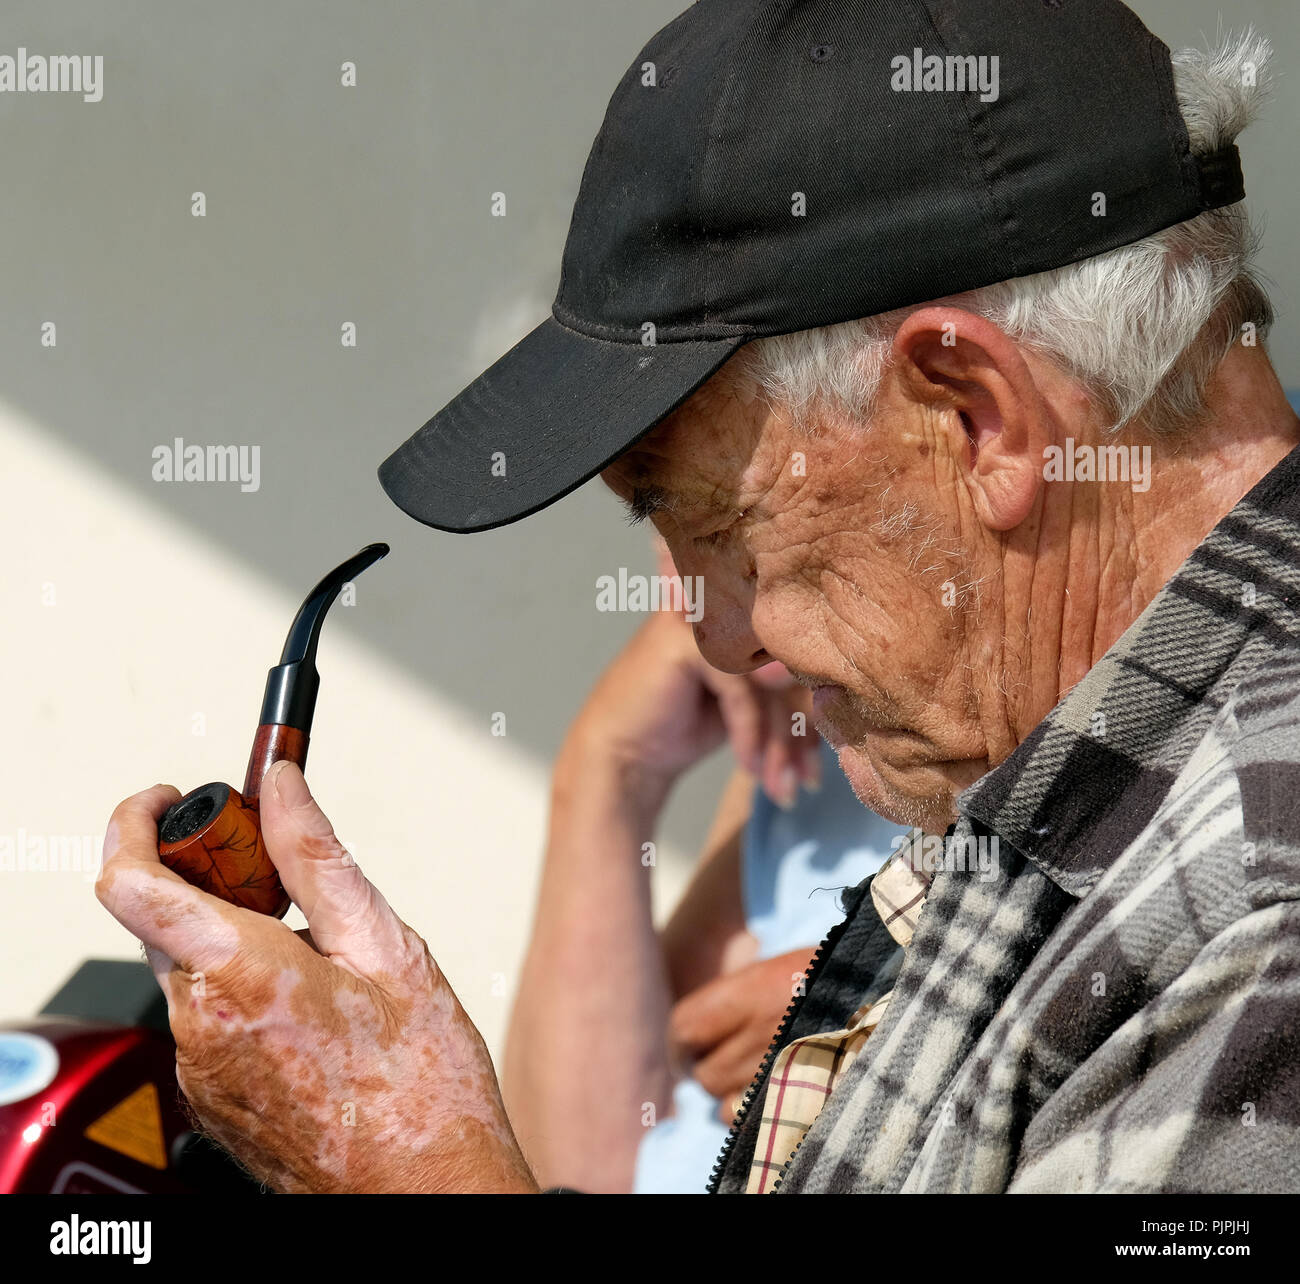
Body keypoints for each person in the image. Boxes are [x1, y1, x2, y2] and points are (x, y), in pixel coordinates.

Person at [97, 1, 1300, 1193]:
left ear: (972, 416)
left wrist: (401, 1168)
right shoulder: (1046, 769)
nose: (717, 638)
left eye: (711, 520)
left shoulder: (1261, 910)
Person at [502, 544, 900, 1193]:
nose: (710, 632)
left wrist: (878, 1000)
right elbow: (572, 1177)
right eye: (661, 534)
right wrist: (608, 770)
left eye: (723, 519)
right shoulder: (817, 745)